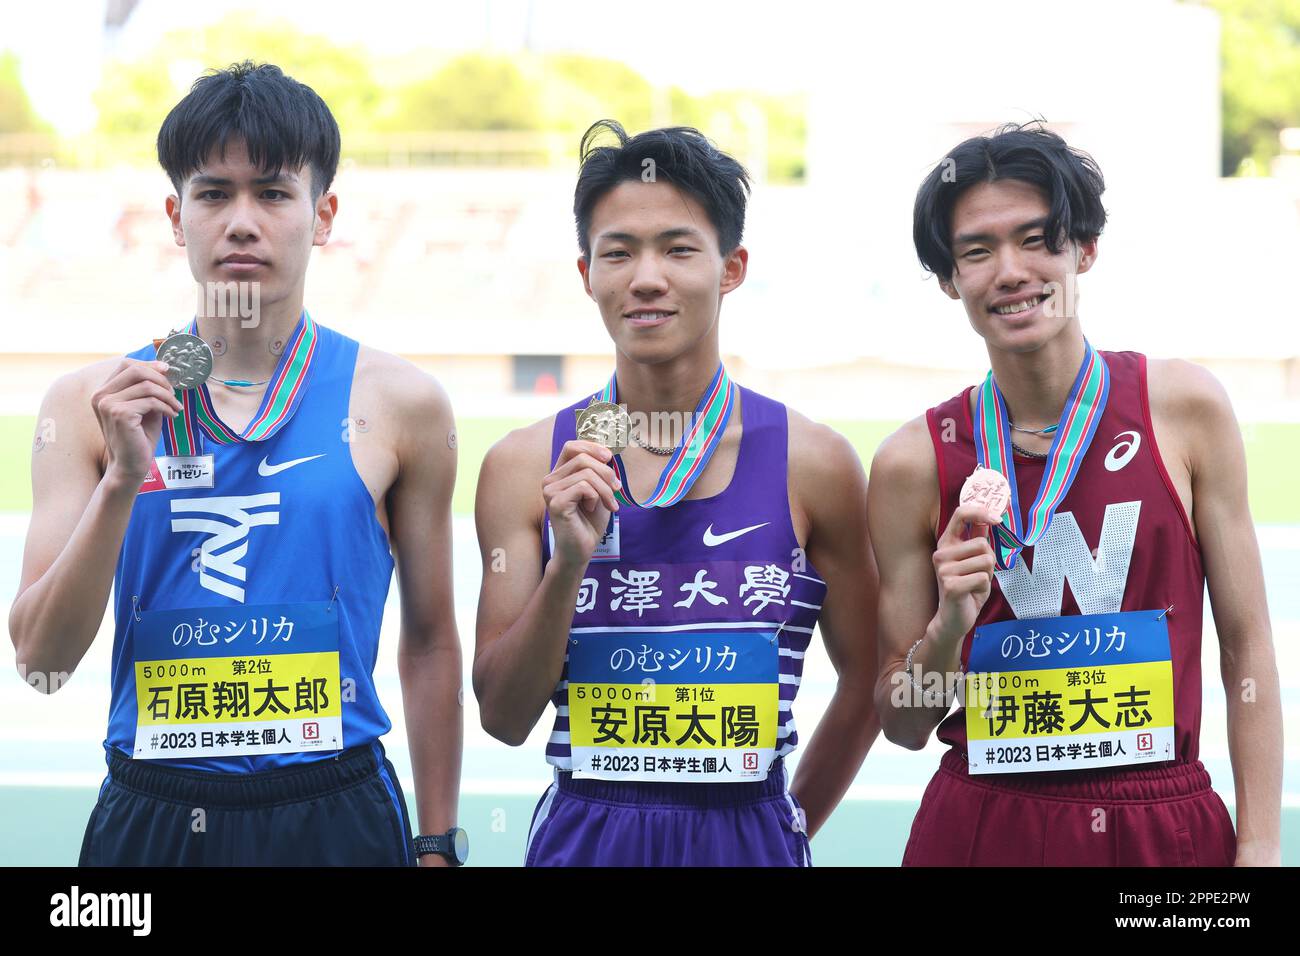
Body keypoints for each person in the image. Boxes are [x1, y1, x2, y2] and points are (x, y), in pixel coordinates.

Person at [9, 61, 465, 867]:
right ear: (176, 217)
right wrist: (122, 480)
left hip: (337, 811)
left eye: (275, 193)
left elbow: (429, 640)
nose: (242, 222)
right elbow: (41, 660)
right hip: (154, 811)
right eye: (214, 193)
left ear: (323, 216)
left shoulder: (405, 404)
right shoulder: (87, 404)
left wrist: (435, 843)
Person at [868, 122, 1281, 866]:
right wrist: (947, 627)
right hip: (981, 824)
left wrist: (1258, 844)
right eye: (977, 251)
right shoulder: (911, 463)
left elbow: (1247, 643)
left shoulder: (1182, 408)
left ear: (1082, 250)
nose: (1011, 270)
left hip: (1162, 822)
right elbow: (903, 723)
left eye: (1037, 239)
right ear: (948, 279)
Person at [472, 120, 880, 867]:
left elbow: (869, 676)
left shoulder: (815, 464)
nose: (646, 277)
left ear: (732, 267)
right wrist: (567, 566)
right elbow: (502, 715)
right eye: (618, 252)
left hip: (748, 831)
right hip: (585, 834)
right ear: (586, 273)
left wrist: (789, 825)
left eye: (678, 248)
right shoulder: (521, 465)